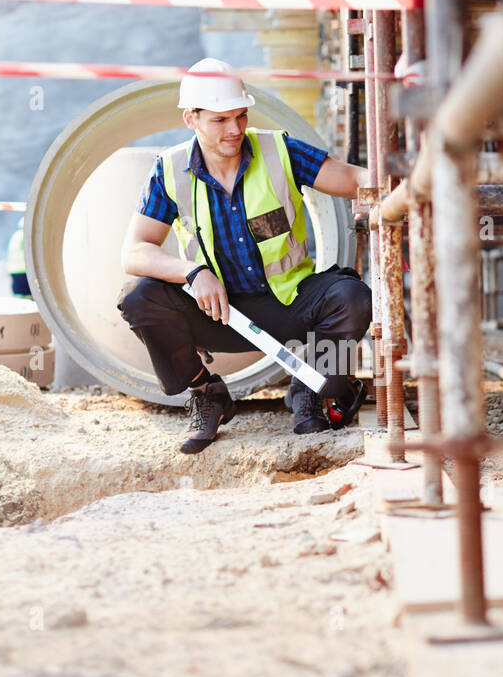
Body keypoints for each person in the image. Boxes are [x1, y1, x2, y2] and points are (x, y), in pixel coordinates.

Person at [119, 58, 371, 455]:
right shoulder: (169, 171)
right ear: (192, 119)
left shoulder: (279, 150)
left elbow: (353, 178)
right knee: (139, 297)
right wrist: (192, 272)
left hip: (289, 304)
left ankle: (312, 390)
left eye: (240, 115)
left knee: (352, 298)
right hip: (218, 313)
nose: (235, 129)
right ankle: (208, 393)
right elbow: (135, 252)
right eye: (220, 120)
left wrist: (388, 189)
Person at [7, 216, 31, 299]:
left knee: (18, 293)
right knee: (28, 294)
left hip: (13, 269)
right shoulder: (25, 236)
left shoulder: (16, 235)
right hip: (23, 269)